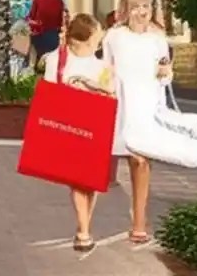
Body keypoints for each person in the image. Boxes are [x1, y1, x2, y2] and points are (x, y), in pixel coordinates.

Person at [103, 0, 173, 245]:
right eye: (136, 7)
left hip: (147, 104)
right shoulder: (114, 36)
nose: (141, 12)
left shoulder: (158, 39)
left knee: (141, 162)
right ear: (126, 10)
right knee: (111, 159)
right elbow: (106, 68)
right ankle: (84, 225)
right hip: (120, 103)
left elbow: (165, 76)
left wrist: (166, 74)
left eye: (146, 7)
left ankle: (139, 222)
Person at [41, 13, 116, 252]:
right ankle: (84, 231)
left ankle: (84, 225)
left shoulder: (102, 65)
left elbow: (111, 93)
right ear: (86, 38)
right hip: (69, 125)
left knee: (90, 182)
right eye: (97, 36)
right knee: (77, 181)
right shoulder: (57, 59)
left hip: (95, 125)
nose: (100, 40)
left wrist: (92, 86)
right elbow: (48, 91)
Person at [27, 0, 67, 65]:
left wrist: (31, 22)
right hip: (53, 35)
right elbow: (62, 18)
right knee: (52, 61)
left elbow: (32, 15)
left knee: (40, 59)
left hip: (43, 34)